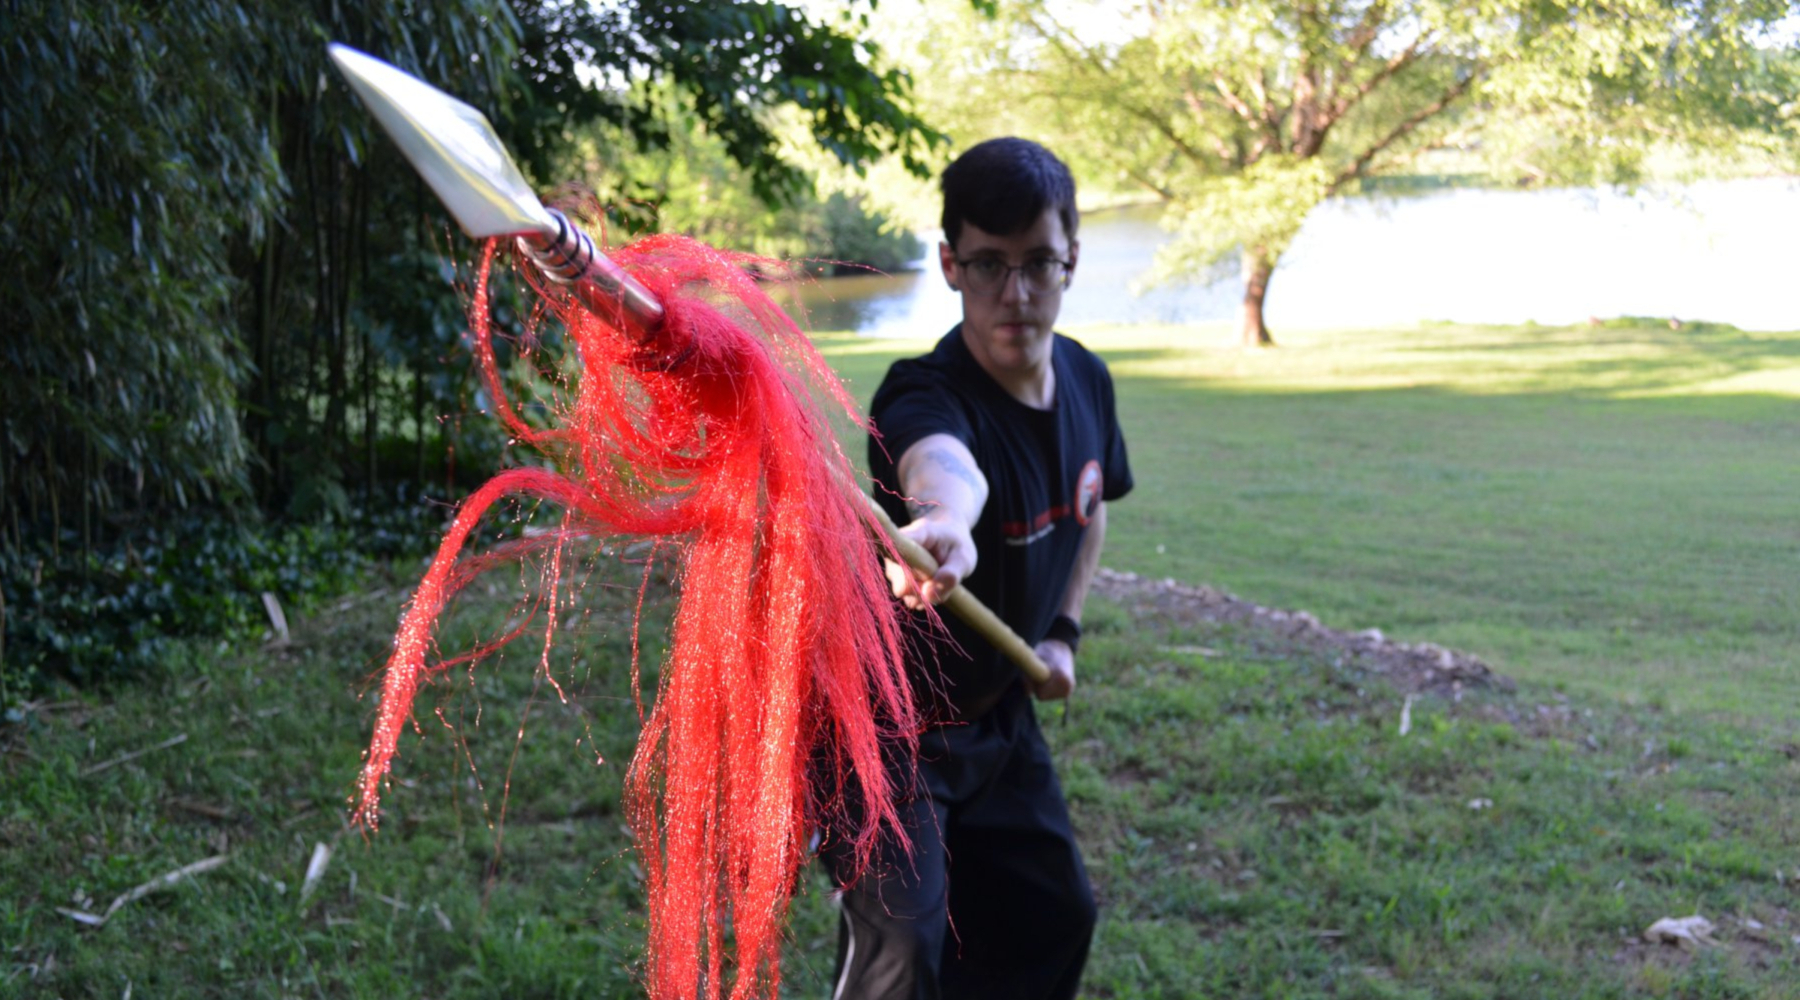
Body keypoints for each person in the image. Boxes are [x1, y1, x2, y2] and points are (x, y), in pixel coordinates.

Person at [823, 137, 1133, 1000]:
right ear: (950, 265)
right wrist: (947, 521)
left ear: (1073, 258)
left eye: (1039, 263)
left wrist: (1062, 632)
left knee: (1053, 916)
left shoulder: (1087, 379)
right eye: (990, 264)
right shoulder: (920, 392)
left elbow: (1092, 504)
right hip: (884, 732)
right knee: (901, 950)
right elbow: (943, 467)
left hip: (995, 716)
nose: (1017, 293)